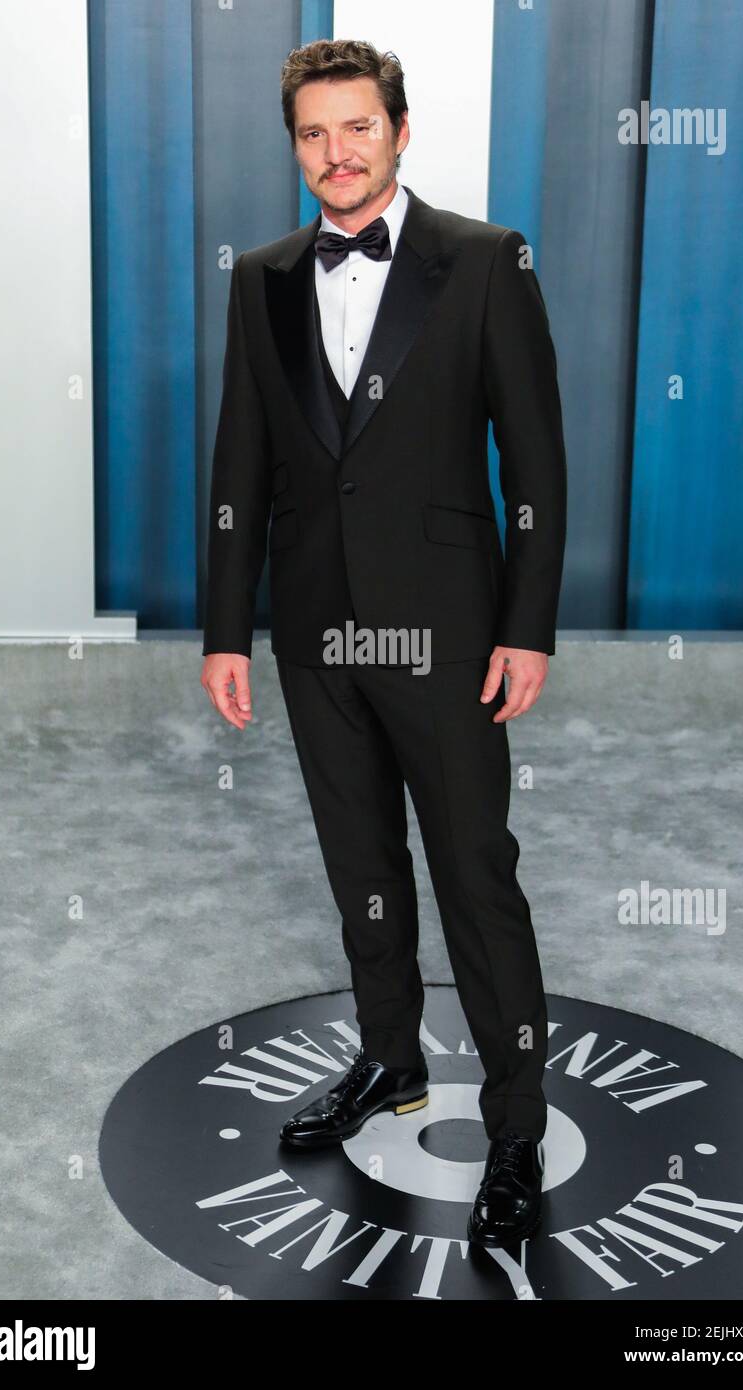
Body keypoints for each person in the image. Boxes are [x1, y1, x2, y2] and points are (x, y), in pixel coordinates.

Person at [201, 37, 567, 1249]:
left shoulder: (481, 259)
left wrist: (525, 627)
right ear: (296, 144)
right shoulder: (260, 276)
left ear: (399, 131)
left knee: (473, 872)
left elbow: (537, 461)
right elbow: (239, 466)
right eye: (313, 133)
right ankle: (388, 1059)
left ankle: (513, 1127)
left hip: (450, 634)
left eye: (357, 126)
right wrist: (225, 630)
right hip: (315, 634)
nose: (336, 153)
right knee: (360, 867)